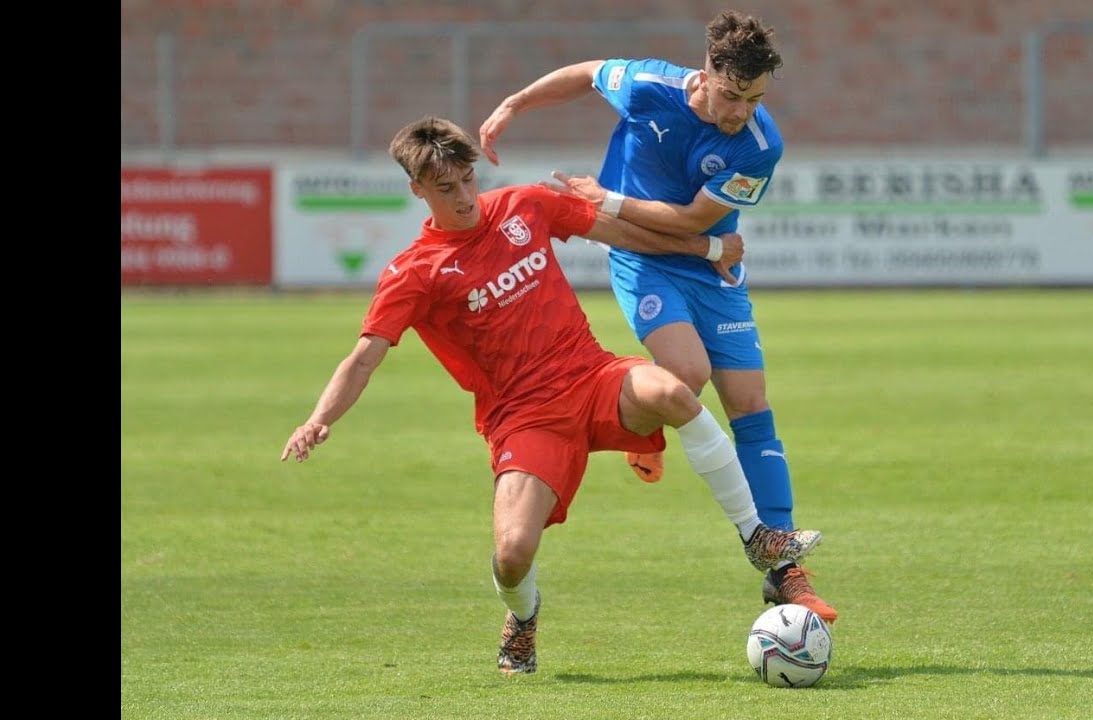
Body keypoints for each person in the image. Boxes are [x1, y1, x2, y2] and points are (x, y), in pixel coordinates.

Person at [279, 115, 822, 675]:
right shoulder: (415, 272)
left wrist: (708, 248)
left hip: (590, 376)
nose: (466, 196)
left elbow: (623, 234)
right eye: (446, 188)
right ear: (418, 190)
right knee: (513, 555)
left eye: (468, 179)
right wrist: (319, 419)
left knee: (675, 390)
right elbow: (365, 355)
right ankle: (523, 618)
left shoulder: (524, 206)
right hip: (523, 419)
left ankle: (758, 537)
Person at [477, 10, 838, 623]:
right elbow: (587, 73)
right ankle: (648, 433)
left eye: (754, 99)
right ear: (707, 74)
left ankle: (782, 568)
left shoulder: (759, 145)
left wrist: (607, 198)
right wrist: (516, 102)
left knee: (751, 404)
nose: (739, 112)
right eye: (731, 95)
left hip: (712, 265)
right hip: (644, 262)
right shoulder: (648, 86)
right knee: (686, 374)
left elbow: (695, 220)